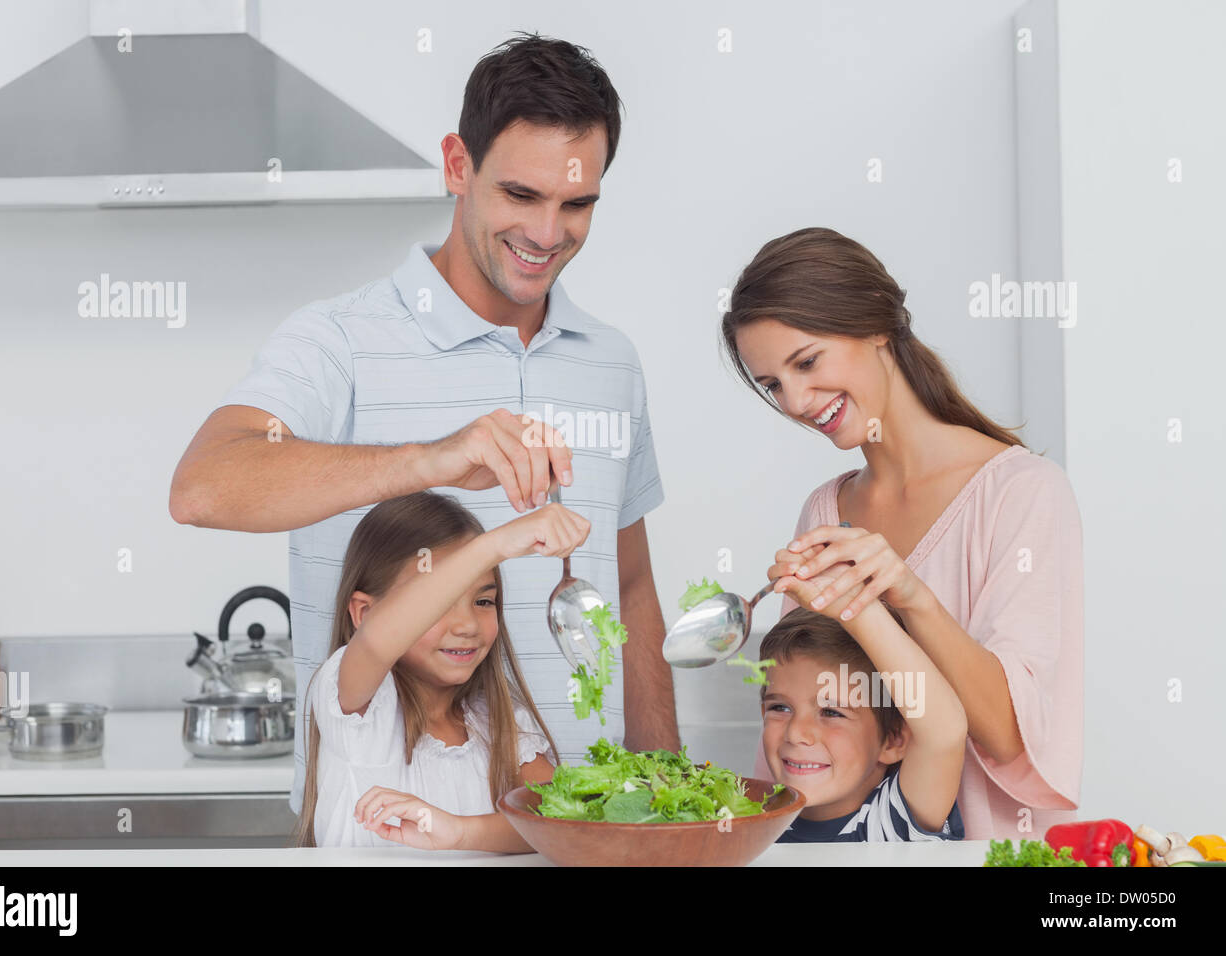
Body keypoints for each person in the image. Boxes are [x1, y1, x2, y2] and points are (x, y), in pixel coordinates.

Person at [170, 33, 679, 818]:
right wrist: (431, 460)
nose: (548, 234)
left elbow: (633, 590)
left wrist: (663, 800)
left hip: (585, 833)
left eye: (577, 204)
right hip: (390, 837)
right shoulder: (338, 340)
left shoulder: (611, 362)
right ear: (456, 166)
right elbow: (205, 486)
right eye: (520, 195)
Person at [725, 226, 1083, 840]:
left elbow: (1005, 733)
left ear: (877, 327)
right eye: (773, 384)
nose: (796, 400)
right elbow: (800, 720)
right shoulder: (825, 510)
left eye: (807, 361)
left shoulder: (1022, 493)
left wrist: (910, 595)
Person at [294, 490, 589, 850]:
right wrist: (493, 547)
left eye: (483, 601)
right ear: (365, 613)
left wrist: (460, 832)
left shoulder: (497, 720)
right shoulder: (359, 713)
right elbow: (375, 642)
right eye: (439, 602)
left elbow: (557, 820)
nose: (466, 625)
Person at [755, 570, 966, 841]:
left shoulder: (888, 824)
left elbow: (945, 732)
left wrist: (857, 608)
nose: (796, 733)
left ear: (893, 740)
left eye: (831, 712)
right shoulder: (749, 827)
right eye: (780, 708)